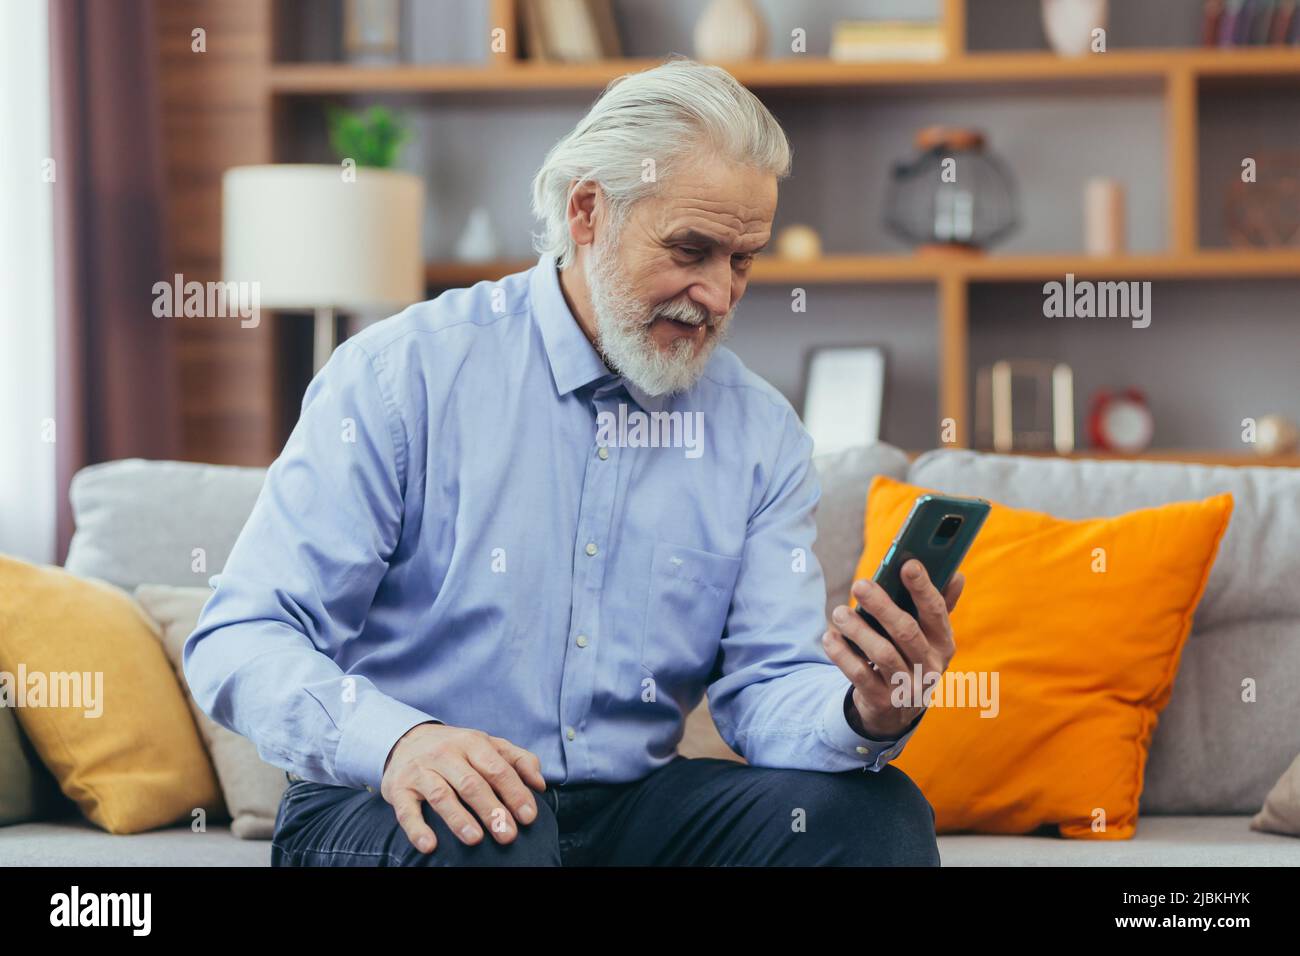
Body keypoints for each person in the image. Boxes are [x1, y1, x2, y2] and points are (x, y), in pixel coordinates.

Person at [184, 57, 964, 867]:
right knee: (489, 836)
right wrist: (401, 741)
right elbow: (243, 635)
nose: (719, 295)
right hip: (390, 797)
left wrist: (864, 711)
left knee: (873, 816)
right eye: (690, 249)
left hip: (627, 807)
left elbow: (767, 687)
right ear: (588, 211)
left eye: (741, 260)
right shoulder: (399, 376)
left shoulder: (758, 431)